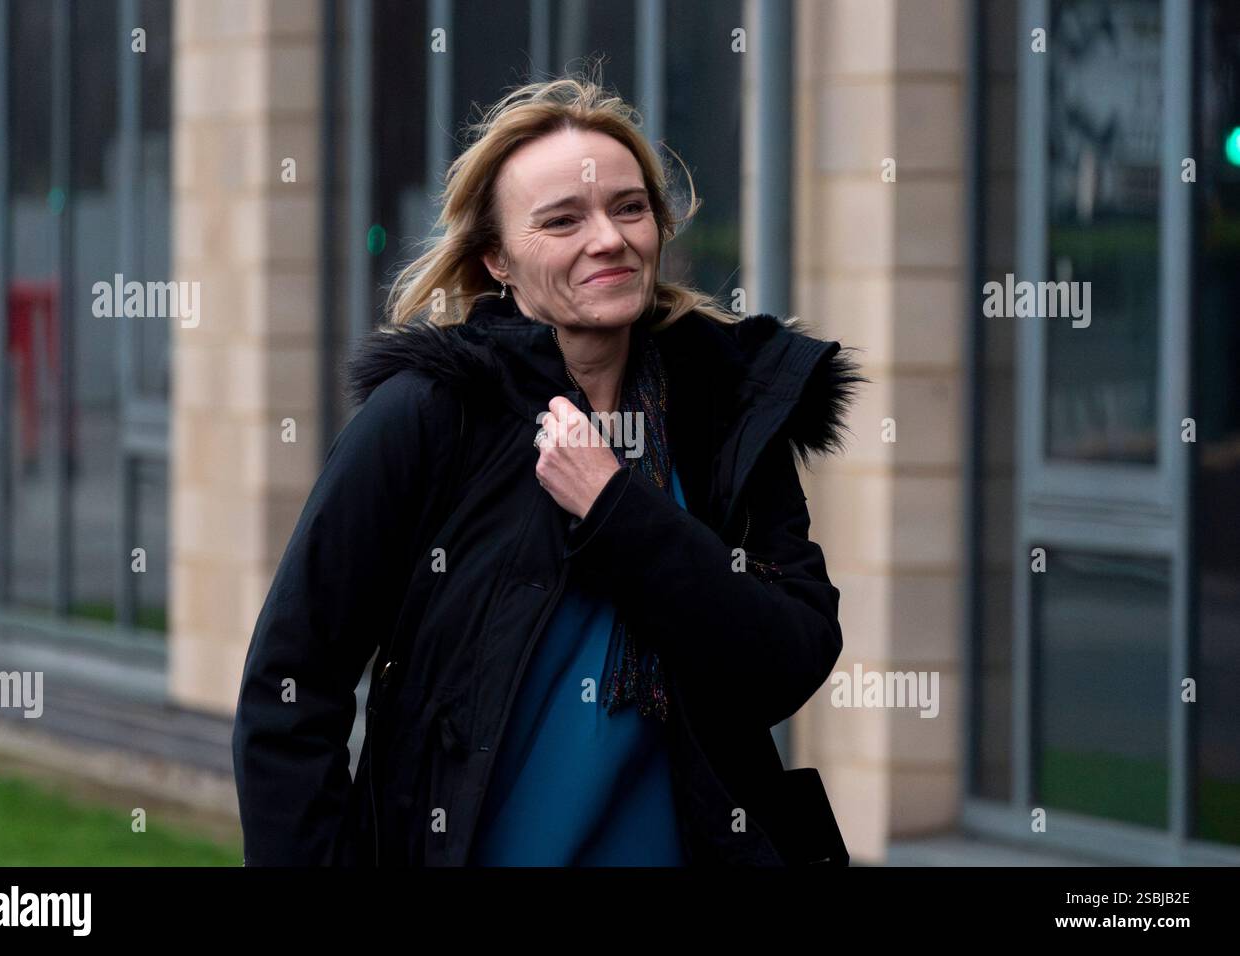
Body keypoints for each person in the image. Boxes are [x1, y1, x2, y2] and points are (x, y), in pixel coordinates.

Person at [231, 69, 863, 867]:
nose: (608, 238)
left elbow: (787, 659)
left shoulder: (723, 413)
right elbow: (292, 688)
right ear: (497, 259)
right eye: (562, 220)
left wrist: (617, 510)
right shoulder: (428, 416)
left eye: (629, 207)